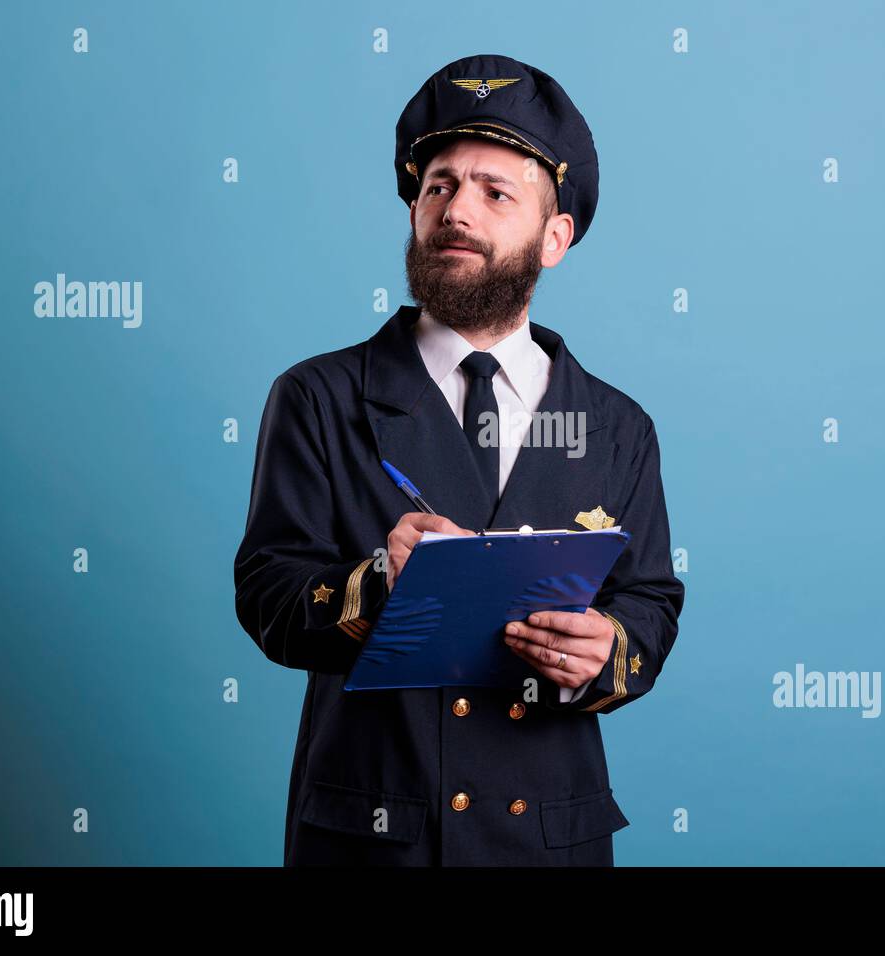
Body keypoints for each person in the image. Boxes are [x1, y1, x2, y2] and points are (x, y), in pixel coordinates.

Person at [233, 53, 684, 866]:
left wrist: (604, 651)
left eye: (494, 191)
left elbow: (649, 600)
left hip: (550, 837)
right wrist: (375, 581)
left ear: (555, 238)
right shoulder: (318, 395)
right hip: (378, 836)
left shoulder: (619, 425)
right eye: (438, 186)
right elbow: (267, 593)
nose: (455, 210)